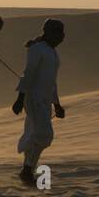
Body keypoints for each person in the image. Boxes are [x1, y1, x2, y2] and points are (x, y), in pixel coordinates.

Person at [12, 18, 66, 185]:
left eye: (62, 34)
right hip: (33, 97)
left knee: (36, 133)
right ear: (48, 33)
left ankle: (27, 171)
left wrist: (56, 104)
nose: (61, 37)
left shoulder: (52, 52)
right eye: (57, 34)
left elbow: (51, 81)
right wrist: (20, 99)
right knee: (44, 134)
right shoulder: (37, 49)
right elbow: (28, 74)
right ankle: (26, 171)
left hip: (45, 100)